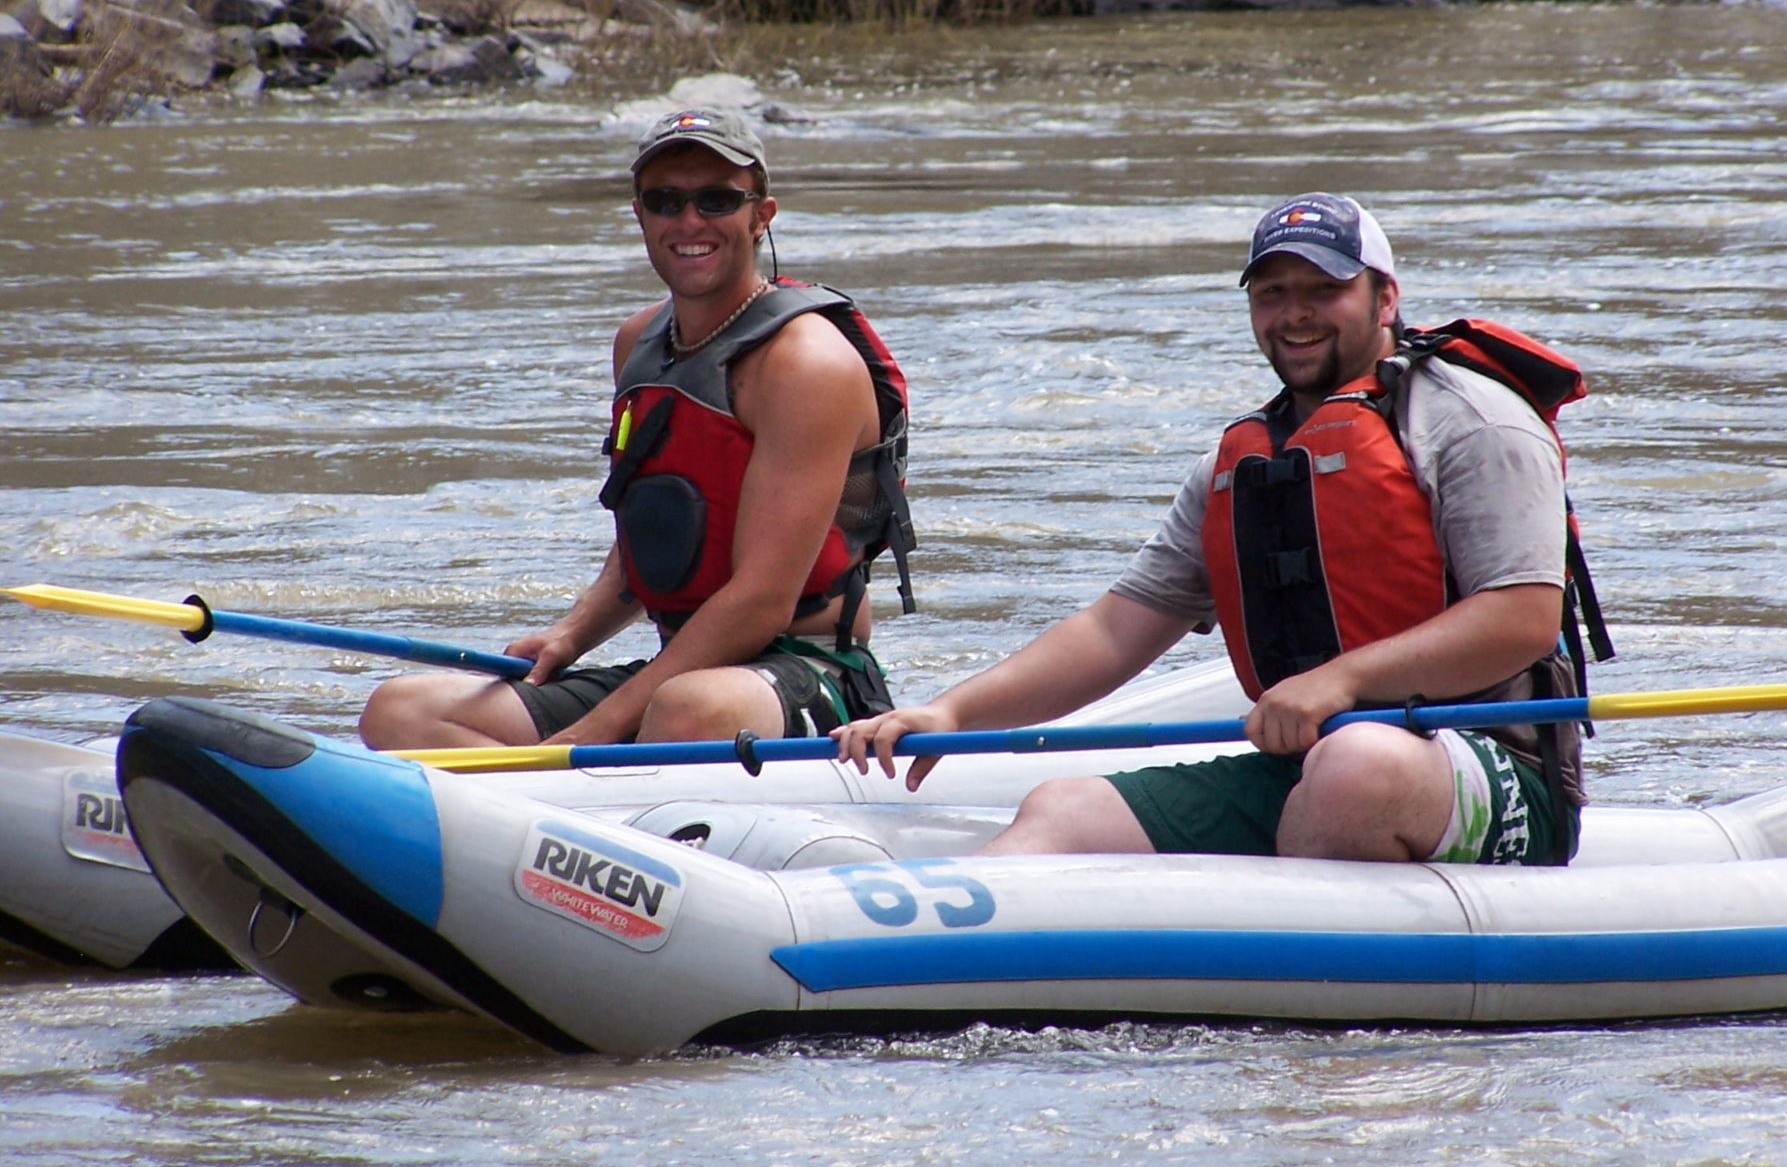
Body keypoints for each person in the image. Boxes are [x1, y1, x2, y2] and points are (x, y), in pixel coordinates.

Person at [836, 191, 1590, 866]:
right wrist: (952, 711)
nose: (1295, 313)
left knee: (1356, 766)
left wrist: (1340, 682)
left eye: (1325, 290)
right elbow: (1114, 630)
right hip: (1310, 761)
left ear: (1384, 298)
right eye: (1273, 293)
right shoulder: (1245, 460)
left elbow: (1521, 618)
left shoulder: (1477, 422)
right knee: (1061, 808)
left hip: (1496, 766)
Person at [359, 107, 915, 751]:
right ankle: (556, 822)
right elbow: (658, 534)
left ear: (761, 216)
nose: (689, 222)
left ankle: (578, 789)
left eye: (716, 200)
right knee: (402, 711)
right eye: (666, 201)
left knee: (688, 708)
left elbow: (762, 601)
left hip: (807, 670)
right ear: (640, 215)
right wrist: (573, 633)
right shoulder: (639, 344)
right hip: (679, 667)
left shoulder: (804, 363)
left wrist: (593, 730)